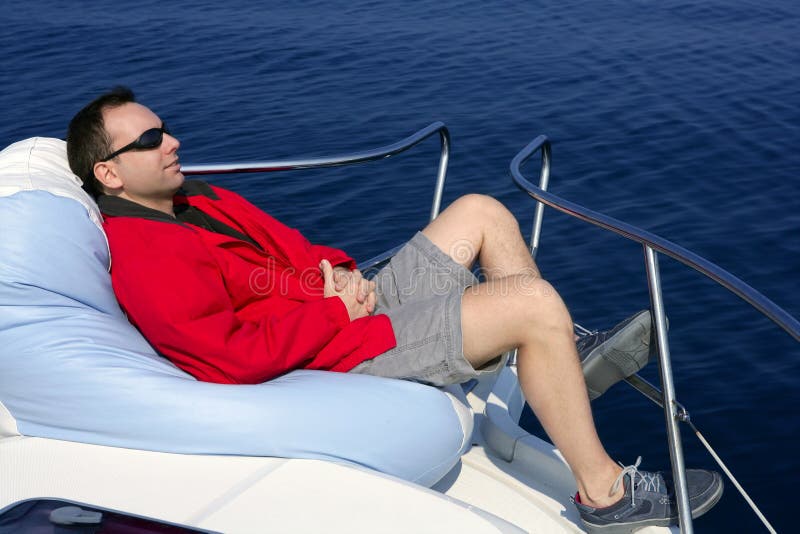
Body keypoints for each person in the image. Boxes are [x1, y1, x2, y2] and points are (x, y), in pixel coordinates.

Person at [66, 87, 723, 532]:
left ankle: (558, 363)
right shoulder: (144, 253)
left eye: (165, 127)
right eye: (149, 139)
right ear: (110, 174)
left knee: (482, 212)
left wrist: (340, 278)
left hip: (343, 307)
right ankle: (603, 495)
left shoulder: (194, 202)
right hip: (333, 354)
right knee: (532, 303)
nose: (171, 141)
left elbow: (290, 252)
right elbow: (230, 356)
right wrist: (335, 313)